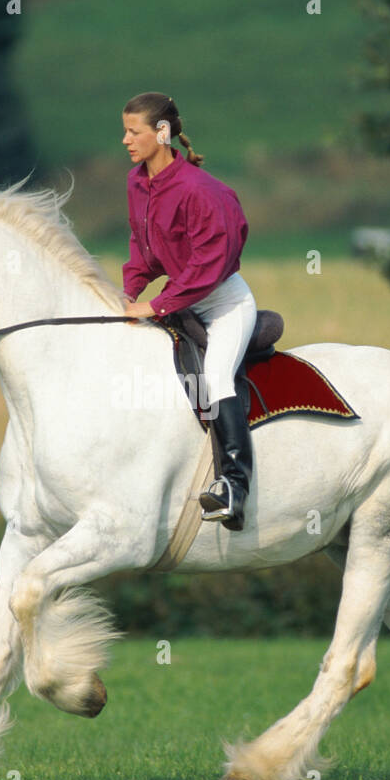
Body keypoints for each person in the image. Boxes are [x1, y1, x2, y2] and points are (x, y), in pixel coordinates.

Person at [120, 92, 258, 531]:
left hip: (223, 303)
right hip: (179, 301)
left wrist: (156, 304)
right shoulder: (137, 183)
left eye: (133, 131)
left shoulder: (202, 191)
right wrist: (127, 294)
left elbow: (207, 267)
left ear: (161, 133)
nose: (125, 140)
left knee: (215, 378)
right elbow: (141, 251)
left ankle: (234, 486)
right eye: (124, 131)